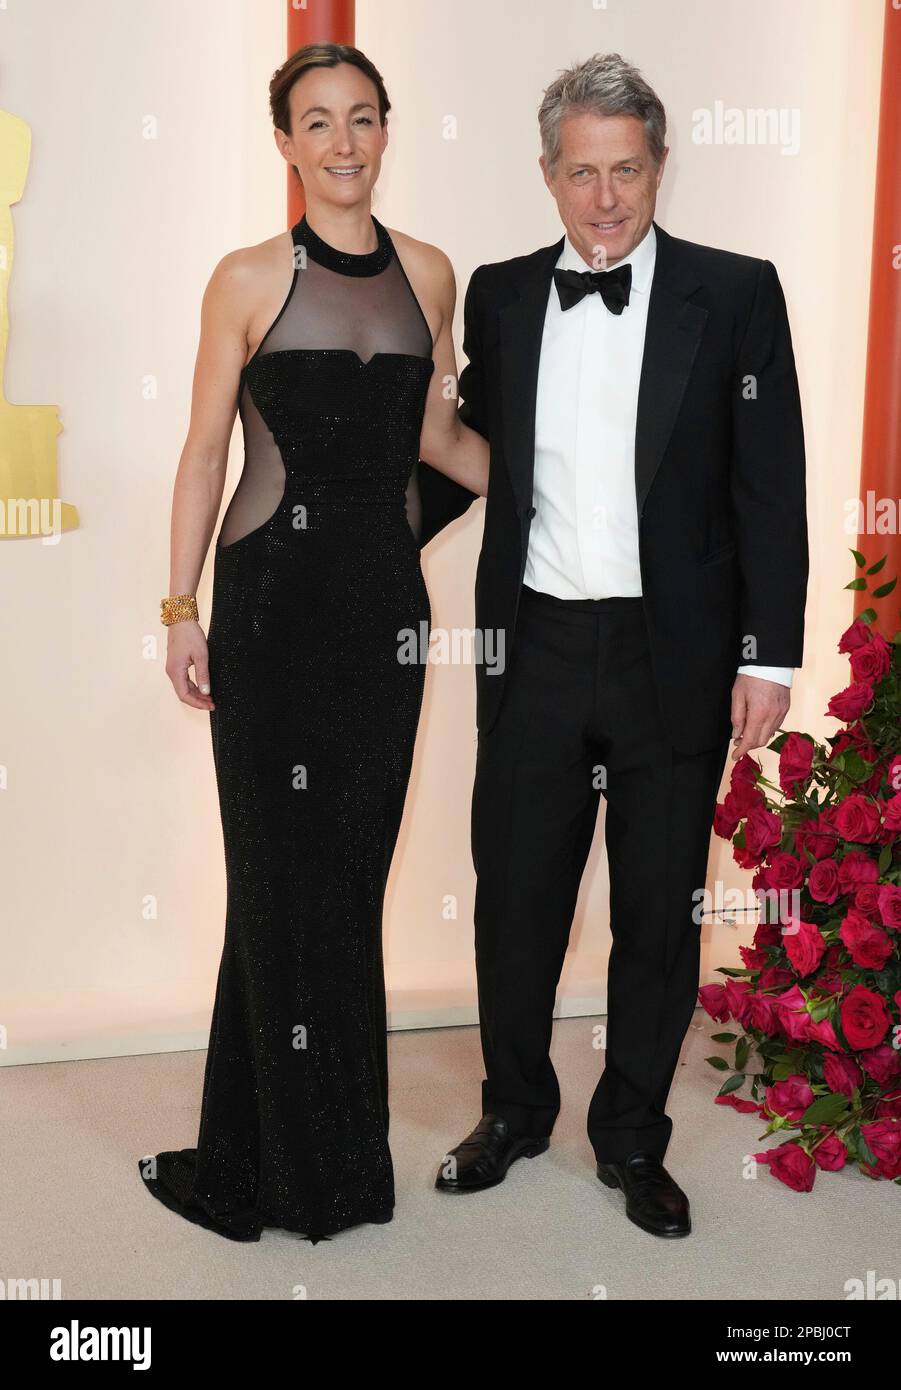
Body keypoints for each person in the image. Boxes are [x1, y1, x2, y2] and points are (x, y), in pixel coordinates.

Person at [420, 51, 808, 1238]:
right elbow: (468, 453)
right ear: (547, 174)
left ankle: (632, 1136)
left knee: (656, 908)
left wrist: (768, 655)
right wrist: (331, 549)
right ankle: (512, 1111)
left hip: (670, 653)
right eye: (581, 173)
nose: (604, 198)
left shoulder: (734, 292)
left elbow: (770, 485)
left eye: (625, 170)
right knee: (514, 900)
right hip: (533, 642)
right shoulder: (498, 295)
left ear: (659, 165)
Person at [139, 42, 487, 1242]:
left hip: (383, 616)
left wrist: (564, 486)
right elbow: (203, 453)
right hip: (270, 609)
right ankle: (270, 1164)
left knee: (345, 882)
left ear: (387, 129)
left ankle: (328, 1157)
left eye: (362, 117)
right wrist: (179, 609)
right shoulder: (244, 277)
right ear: (284, 143)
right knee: (275, 878)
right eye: (318, 122)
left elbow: (434, 439)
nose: (344, 142)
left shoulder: (430, 273)